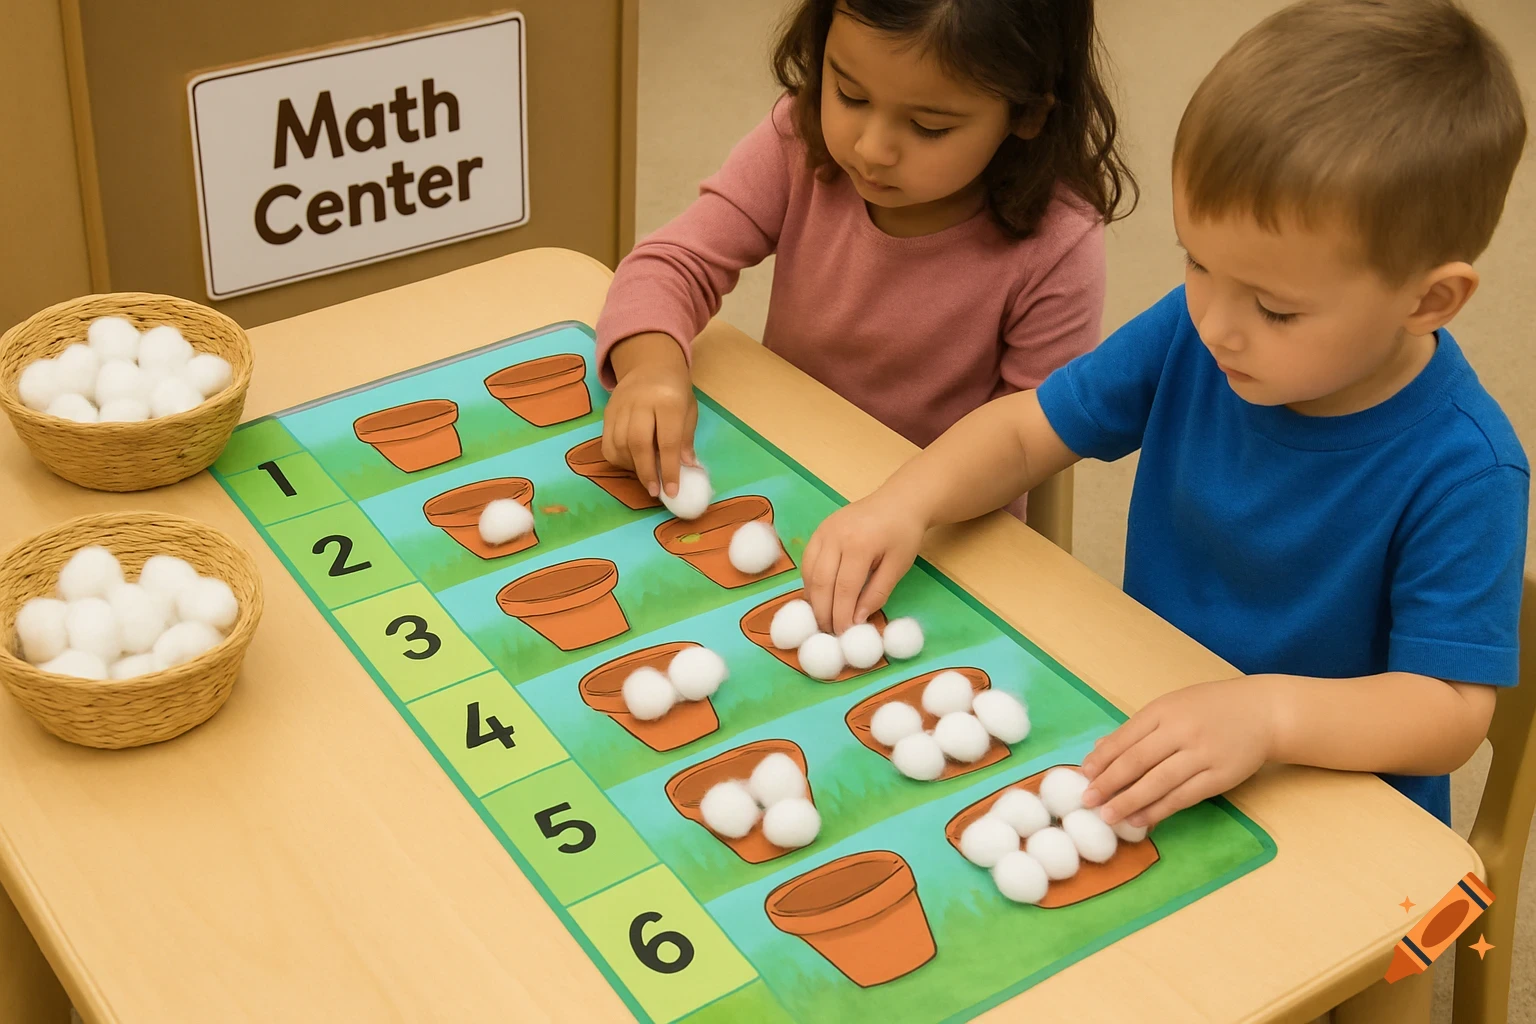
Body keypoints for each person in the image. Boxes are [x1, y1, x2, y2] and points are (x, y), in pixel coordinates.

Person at [801, 0, 1529, 830]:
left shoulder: (1468, 468)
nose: (1217, 320)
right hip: (1150, 717)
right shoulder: (1201, 332)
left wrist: (1267, 717)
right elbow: (1024, 428)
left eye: (1277, 309)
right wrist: (907, 502)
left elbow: (1448, 714)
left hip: (1328, 797)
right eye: (1197, 262)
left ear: (1430, 299)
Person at [594, 0, 1136, 507]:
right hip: (784, 466)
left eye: (929, 127)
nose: (872, 149)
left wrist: (901, 510)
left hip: (938, 518)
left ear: (1027, 115)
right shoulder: (799, 141)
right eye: (851, 95)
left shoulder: (1058, 242)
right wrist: (651, 372)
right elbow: (672, 263)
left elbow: (1032, 435)